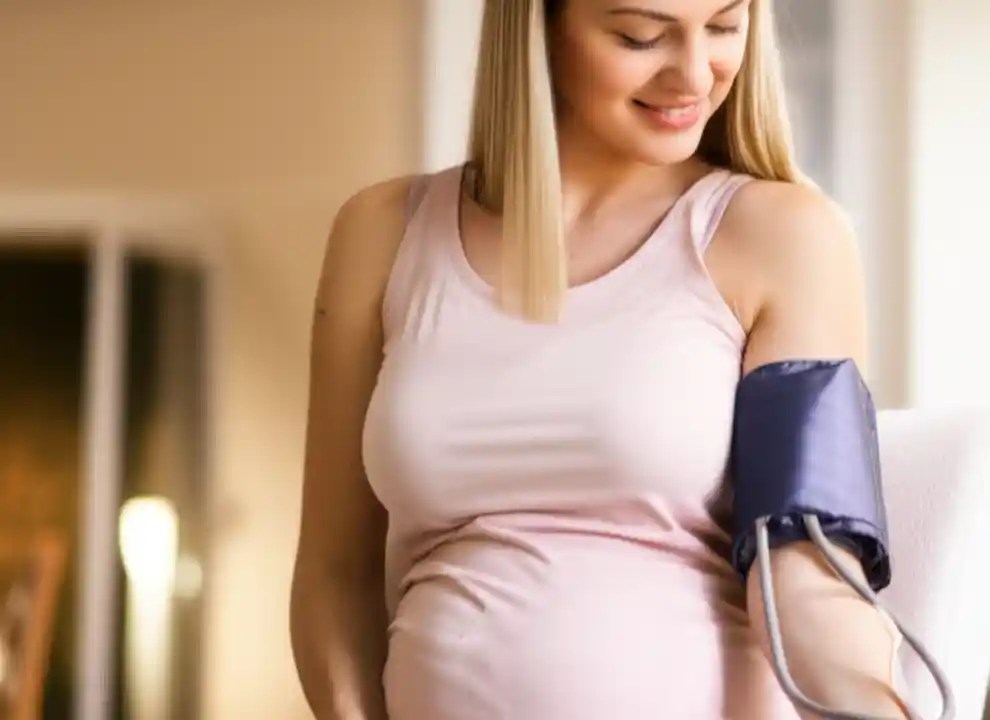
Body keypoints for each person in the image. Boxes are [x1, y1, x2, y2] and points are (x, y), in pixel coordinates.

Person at [289, 0, 909, 718]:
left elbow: (807, 580)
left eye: (723, 27)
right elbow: (334, 573)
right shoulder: (382, 234)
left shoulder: (783, 235)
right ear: (540, 26)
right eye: (639, 36)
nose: (692, 74)